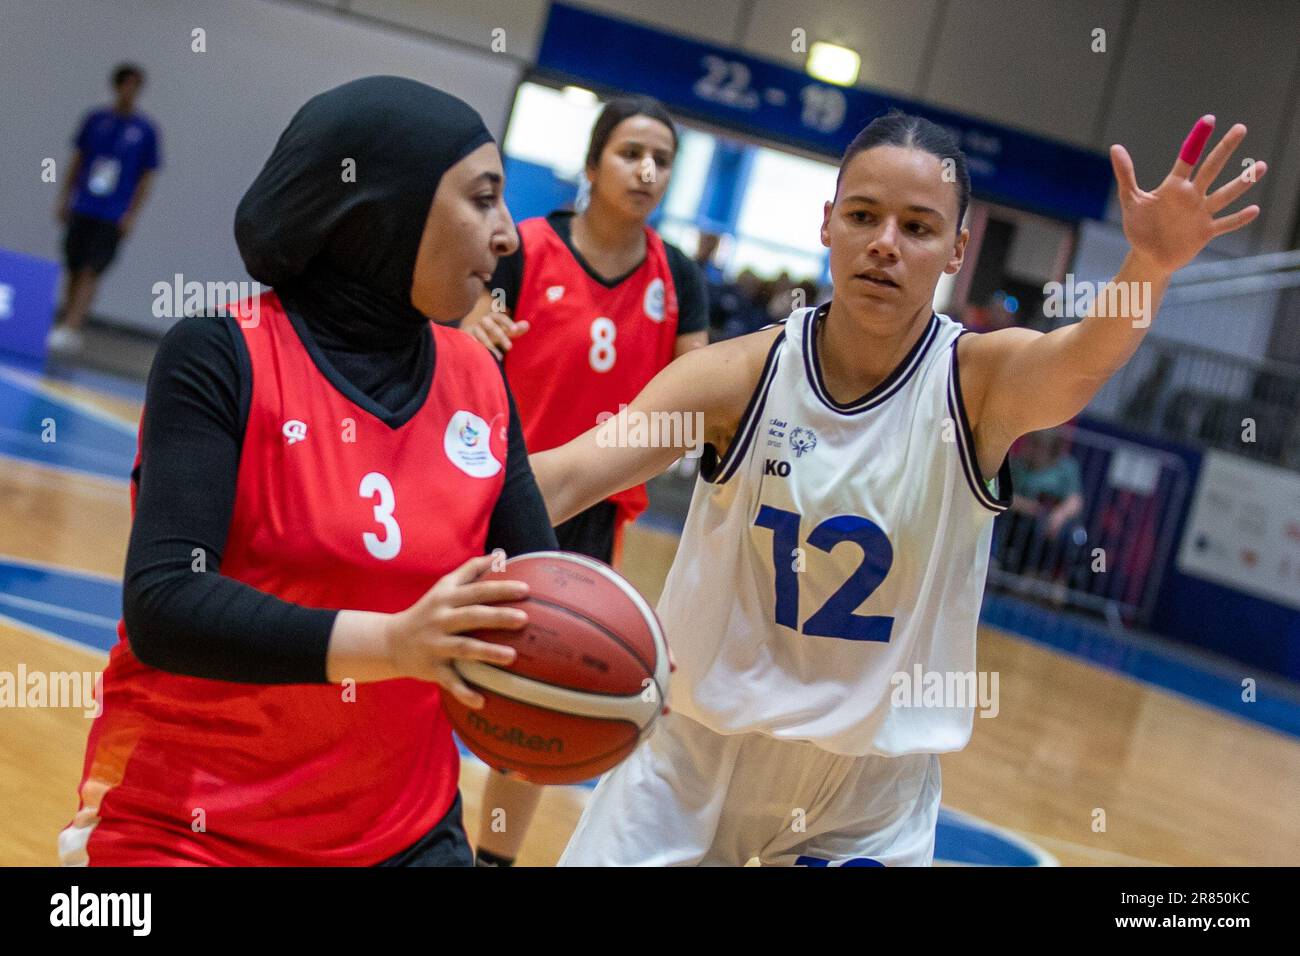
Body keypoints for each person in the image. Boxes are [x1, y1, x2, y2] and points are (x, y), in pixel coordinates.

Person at [527, 109, 1264, 865]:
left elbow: (1082, 360)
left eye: (918, 226)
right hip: (691, 757)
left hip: (864, 791)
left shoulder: (977, 385)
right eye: (863, 215)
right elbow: (573, 472)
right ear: (827, 224)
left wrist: (1151, 265)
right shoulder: (737, 376)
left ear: (956, 250)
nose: (885, 243)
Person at [58, 76, 557, 866]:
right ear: (381, 210)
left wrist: (623, 667)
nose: (508, 236)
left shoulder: (480, 379)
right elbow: (166, 603)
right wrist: (393, 643)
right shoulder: (220, 354)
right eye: (483, 199)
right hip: (193, 830)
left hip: (408, 833)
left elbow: (542, 591)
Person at [457, 95, 707, 867]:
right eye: (631, 152)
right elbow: (448, 342)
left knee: (541, 686)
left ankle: (493, 860)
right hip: (487, 494)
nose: (646, 170)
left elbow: (697, 398)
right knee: (442, 663)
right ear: (594, 163)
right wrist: (464, 325)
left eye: (662, 159)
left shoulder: (679, 278)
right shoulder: (523, 249)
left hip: (594, 516)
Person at [49, 63, 161, 353]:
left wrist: (131, 214)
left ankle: (74, 324)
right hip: (85, 204)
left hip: (112, 211)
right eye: (126, 84)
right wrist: (65, 197)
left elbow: (146, 176)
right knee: (74, 264)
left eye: (136, 86)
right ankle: (65, 318)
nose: (130, 91)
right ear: (116, 86)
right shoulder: (95, 120)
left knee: (93, 268)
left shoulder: (145, 131)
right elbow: (78, 159)